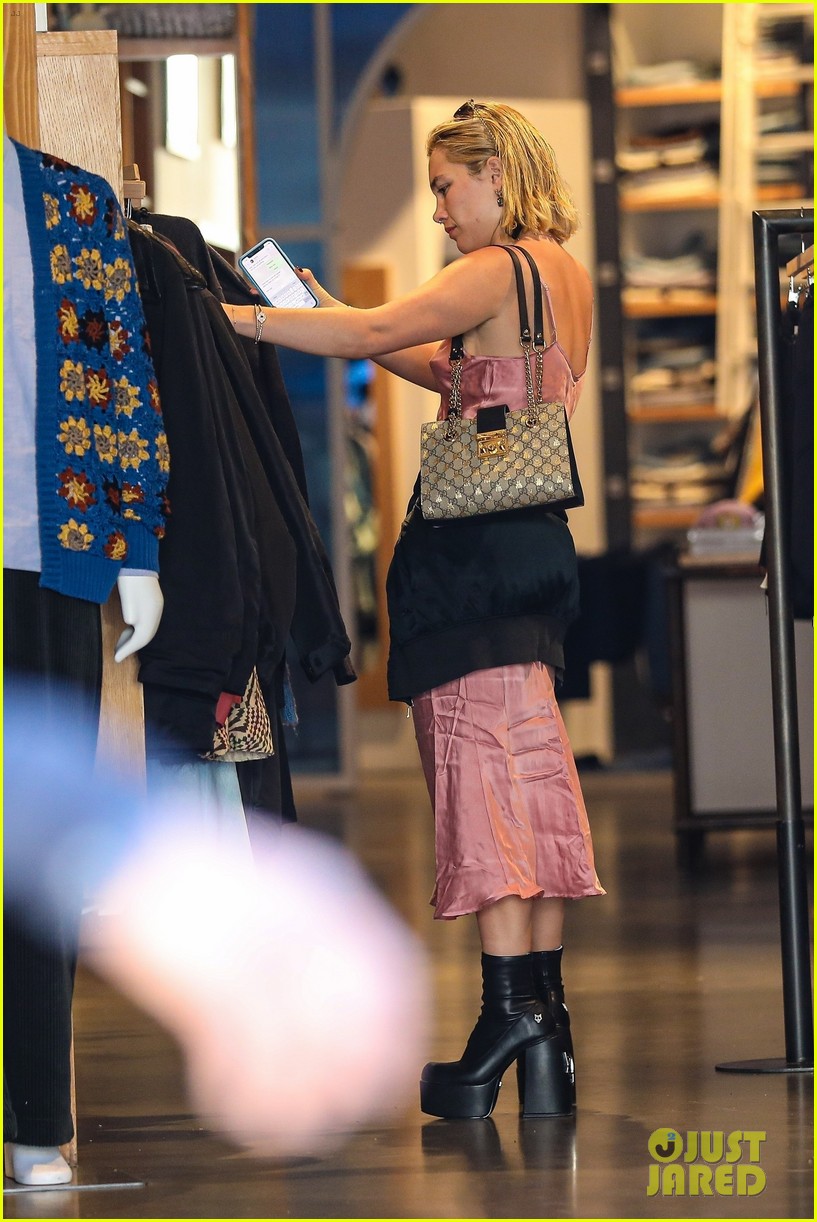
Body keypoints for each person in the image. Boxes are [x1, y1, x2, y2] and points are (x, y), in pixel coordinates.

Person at [224, 99, 604, 1120]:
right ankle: (538, 1022)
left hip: (466, 563)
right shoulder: (560, 276)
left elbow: (380, 330)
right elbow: (442, 367)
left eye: (445, 185)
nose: (438, 209)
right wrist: (320, 305)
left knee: (483, 779)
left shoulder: (492, 266)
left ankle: (501, 1019)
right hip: (532, 552)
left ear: (495, 174)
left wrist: (235, 315)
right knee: (527, 774)